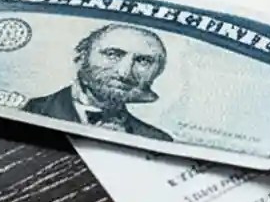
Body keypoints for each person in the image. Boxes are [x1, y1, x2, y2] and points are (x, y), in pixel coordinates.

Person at [23, 23, 173, 142]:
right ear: (81, 58)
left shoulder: (157, 139)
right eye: (113, 54)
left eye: (143, 61)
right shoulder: (30, 110)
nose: (124, 73)